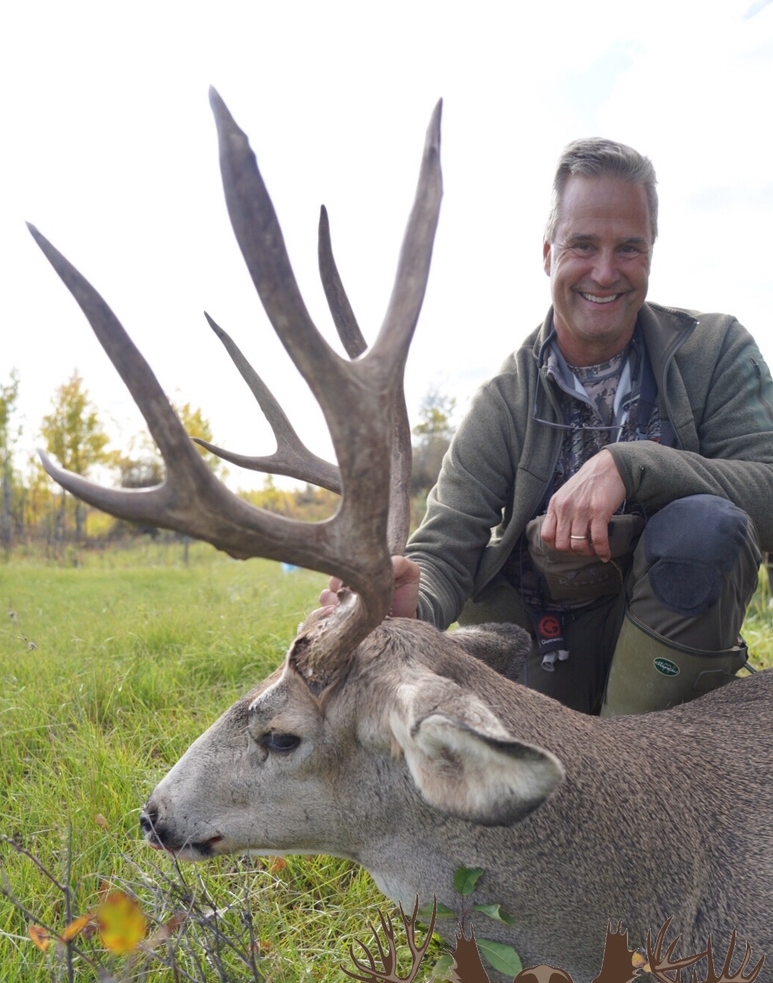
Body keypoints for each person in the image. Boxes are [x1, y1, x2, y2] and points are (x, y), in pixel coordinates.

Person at [322, 138, 773, 715]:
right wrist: (413, 601)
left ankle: (641, 763)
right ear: (548, 253)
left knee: (704, 526)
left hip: (668, 660)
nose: (605, 272)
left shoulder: (715, 352)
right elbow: (444, 549)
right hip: (539, 660)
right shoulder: (504, 402)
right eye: (583, 245)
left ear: (652, 253)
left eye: (628, 248)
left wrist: (631, 465)